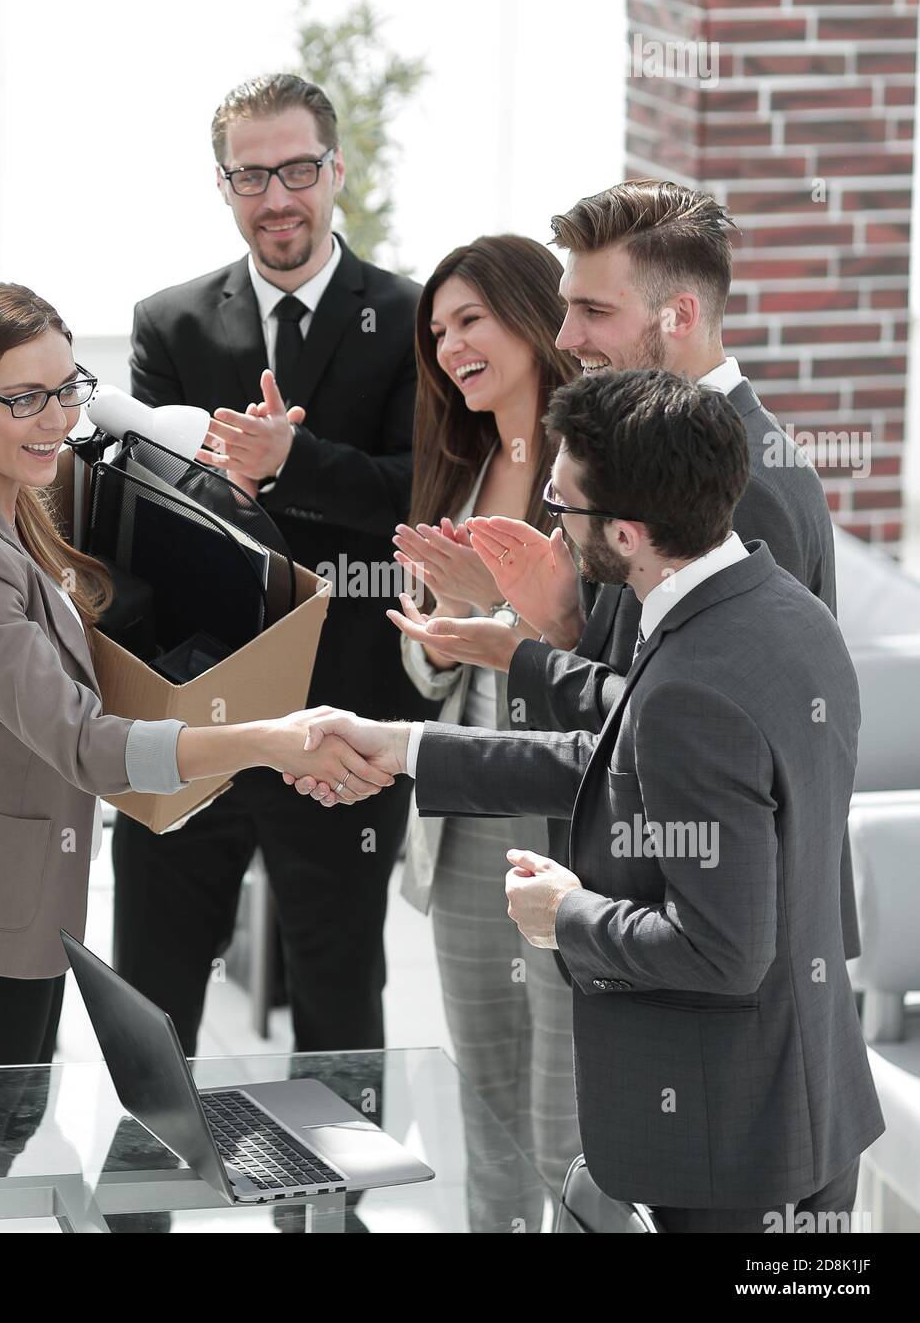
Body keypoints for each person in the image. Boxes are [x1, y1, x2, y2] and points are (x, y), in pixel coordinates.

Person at [286, 368, 885, 1232]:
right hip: (798, 1112)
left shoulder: (694, 680)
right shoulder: (773, 606)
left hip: (732, 1157)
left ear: (630, 533)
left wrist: (562, 912)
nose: (552, 530)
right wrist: (409, 745)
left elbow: (721, 952)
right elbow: (613, 757)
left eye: (563, 510)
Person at [0, 282, 393, 1072]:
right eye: (24, 398)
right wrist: (270, 740)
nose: (56, 419)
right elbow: (83, 744)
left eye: (66, 388)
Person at [389, 180, 860, 976]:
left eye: (594, 312)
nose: (567, 335)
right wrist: (560, 621)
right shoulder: (659, 451)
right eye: (568, 306)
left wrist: (521, 651)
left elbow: (689, 731)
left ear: (677, 315)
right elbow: (655, 688)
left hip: (698, 942)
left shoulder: (747, 484)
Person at [111, 73, 429, 1060]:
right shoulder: (171, 322)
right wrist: (229, 493)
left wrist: (288, 466)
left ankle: (330, 1215)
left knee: (337, 997)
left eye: (296, 168)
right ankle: (141, 1211)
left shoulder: (413, 317)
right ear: (223, 185)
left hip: (345, 717)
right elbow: (145, 508)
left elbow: (417, 497)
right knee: (151, 991)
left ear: (335, 170)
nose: (276, 196)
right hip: (197, 708)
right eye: (251, 175)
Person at [388, 234, 580, 1229]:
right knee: (487, 1102)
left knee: (562, 1119)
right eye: (436, 331)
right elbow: (431, 664)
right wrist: (441, 635)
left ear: (531, 313)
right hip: (465, 819)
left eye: (469, 319)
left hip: (561, 815)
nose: (450, 345)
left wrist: (490, 617)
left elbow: (590, 645)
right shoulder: (462, 467)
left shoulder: (589, 465)